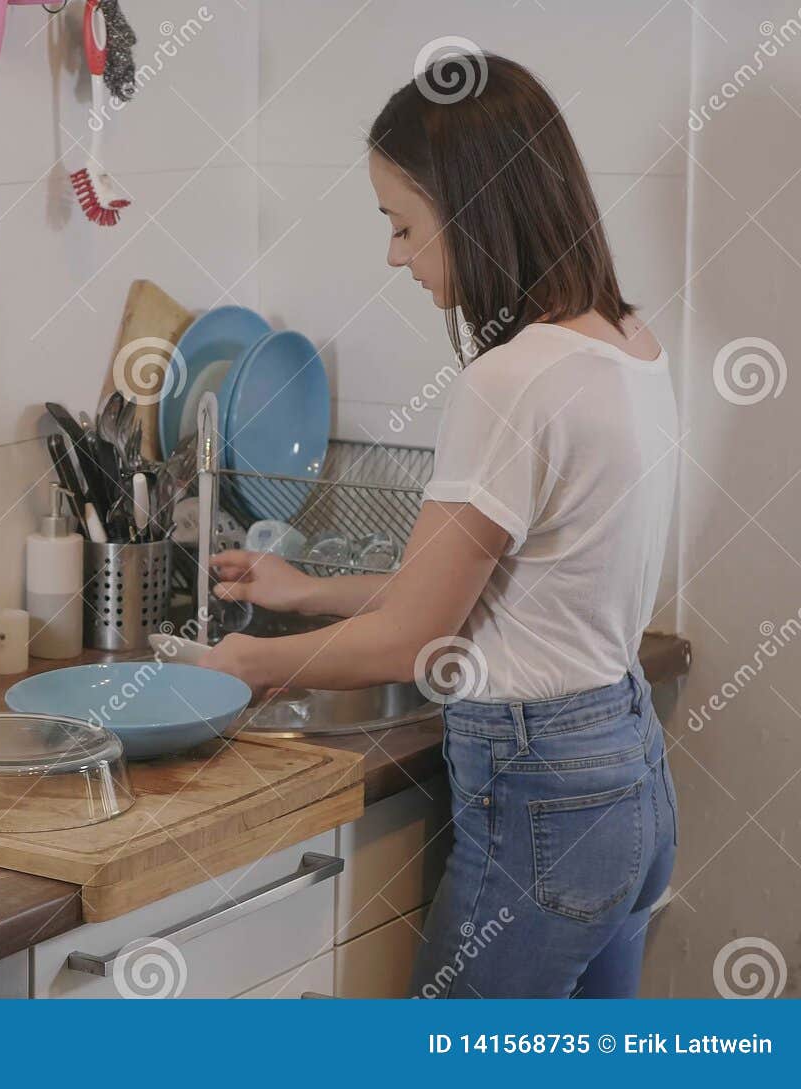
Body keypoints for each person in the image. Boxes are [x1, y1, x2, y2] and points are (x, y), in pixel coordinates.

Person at [198, 54, 678, 997]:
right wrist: (308, 593)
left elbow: (419, 636)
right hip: (627, 783)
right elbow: (512, 589)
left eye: (402, 223)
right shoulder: (627, 341)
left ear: (474, 208)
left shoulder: (511, 380)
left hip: (543, 807)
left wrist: (244, 667)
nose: (395, 255)